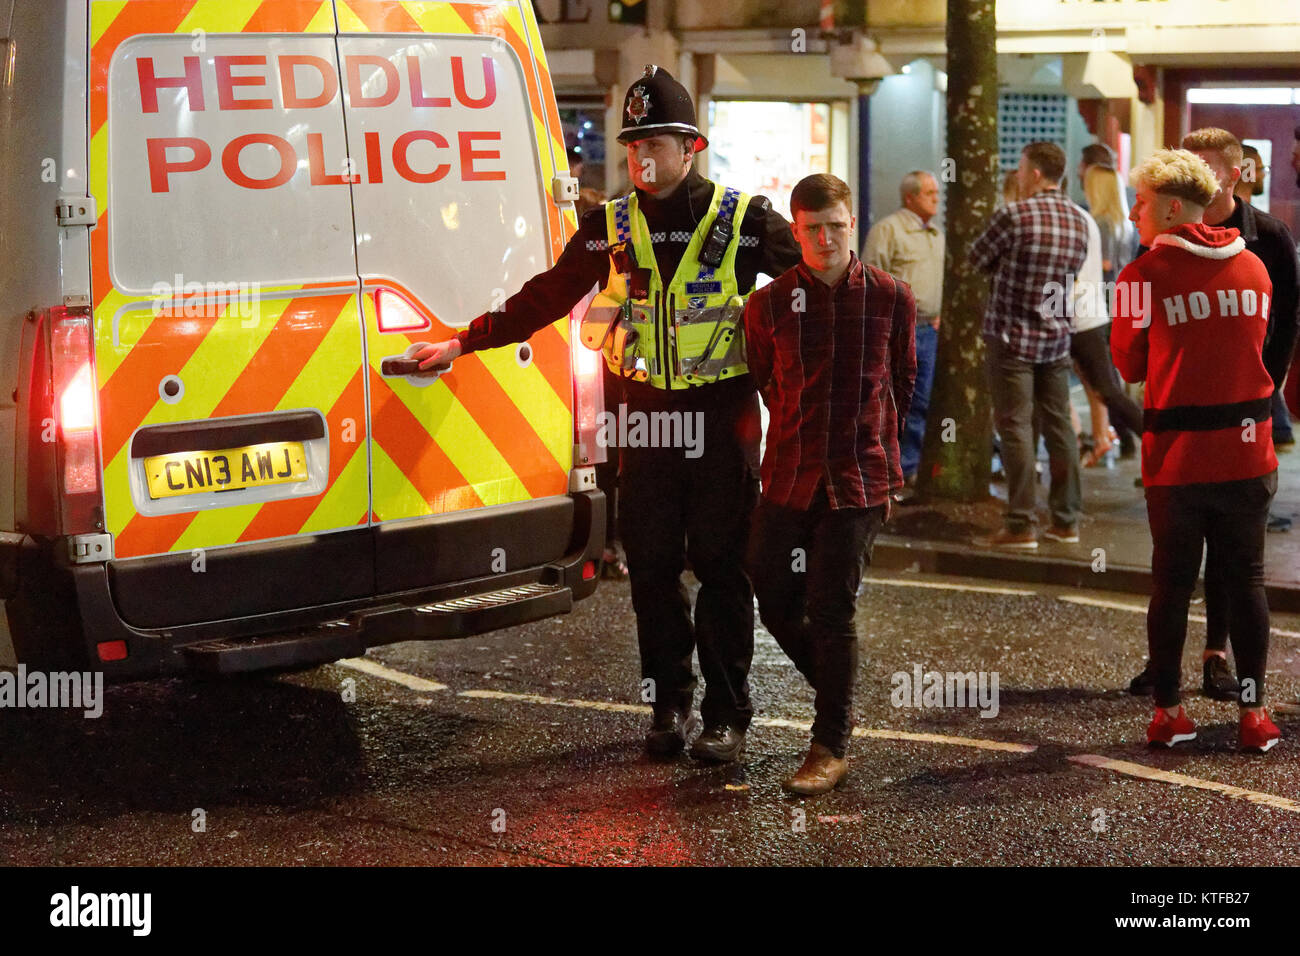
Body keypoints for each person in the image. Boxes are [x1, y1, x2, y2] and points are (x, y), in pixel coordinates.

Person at [411, 66, 800, 761]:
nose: (642, 157)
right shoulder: (610, 226)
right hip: (645, 423)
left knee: (720, 567)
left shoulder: (744, 221)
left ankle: (727, 716)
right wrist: (464, 341)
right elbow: (546, 296)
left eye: (656, 143)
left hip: (723, 422)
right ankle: (668, 709)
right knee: (650, 568)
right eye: (633, 146)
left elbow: (816, 288)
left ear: (692, 146)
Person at [744, 174, 916, 794]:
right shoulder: (765, 306)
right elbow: (768, 383)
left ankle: (829, 744)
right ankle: (838, 690)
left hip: (861, 478)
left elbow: (902, 385)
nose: (824, 238)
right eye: (811, 228)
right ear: (796, 230)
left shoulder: (893, 297)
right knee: (771, 590)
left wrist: (890, 472)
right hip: (789, 472)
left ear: (852, 222)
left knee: (831, 606)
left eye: (835, 226)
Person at [1110, 148, 1280, 752]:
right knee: (1248, 582)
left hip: (1177, 462)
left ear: (1173, 208)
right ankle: (1253, 718)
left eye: (1142, 202)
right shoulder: (1254, 268)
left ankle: (1169, 712)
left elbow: (1126, 362)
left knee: (1172, 586)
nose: (1133, 214)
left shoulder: (1137, 277)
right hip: (1248, 457)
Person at [970, 142, 1090, 549]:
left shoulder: (1014, 215)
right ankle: (1066, 520)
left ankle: (1021, 524)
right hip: (1056, 339)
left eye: (1021, 169)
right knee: (1060, 429)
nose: (1018, 176)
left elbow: (976, 257)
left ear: (1036, 173)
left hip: (1011, 338)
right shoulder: (1080, 221)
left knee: (1016, 427)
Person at [863, 170, 943, 488]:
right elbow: (871, 280)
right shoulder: (888, 231)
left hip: (930, 331)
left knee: (923, 400)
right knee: (895, 400)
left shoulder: (936, 234)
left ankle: (911, 464)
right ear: (910, 197)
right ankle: (891, 466)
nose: (937, 198)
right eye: (929, 193)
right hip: (899, 331)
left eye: (937, 192)